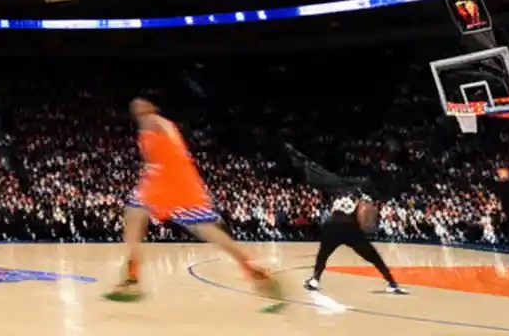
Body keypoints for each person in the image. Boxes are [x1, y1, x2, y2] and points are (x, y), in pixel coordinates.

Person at [107, 98, 282, 306]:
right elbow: (153, 159)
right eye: (135, 105)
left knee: (204, 230)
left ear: (153, 106)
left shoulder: (157, 122)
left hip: (173, 182)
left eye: (142, 103)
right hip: (162, 181)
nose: (137, 107)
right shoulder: (147, 129)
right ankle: (131, 272)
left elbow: (171, 149)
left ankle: (253, 267)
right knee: (136, 214)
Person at [305, 193, 407, 294]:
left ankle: (315, 280)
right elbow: (364, 217)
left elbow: (333, 212)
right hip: (350, 227)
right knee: (374, 256)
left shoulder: (338, 198)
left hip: (332, 225)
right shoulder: (359, 198)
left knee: (322, 255)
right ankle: (392, 283)